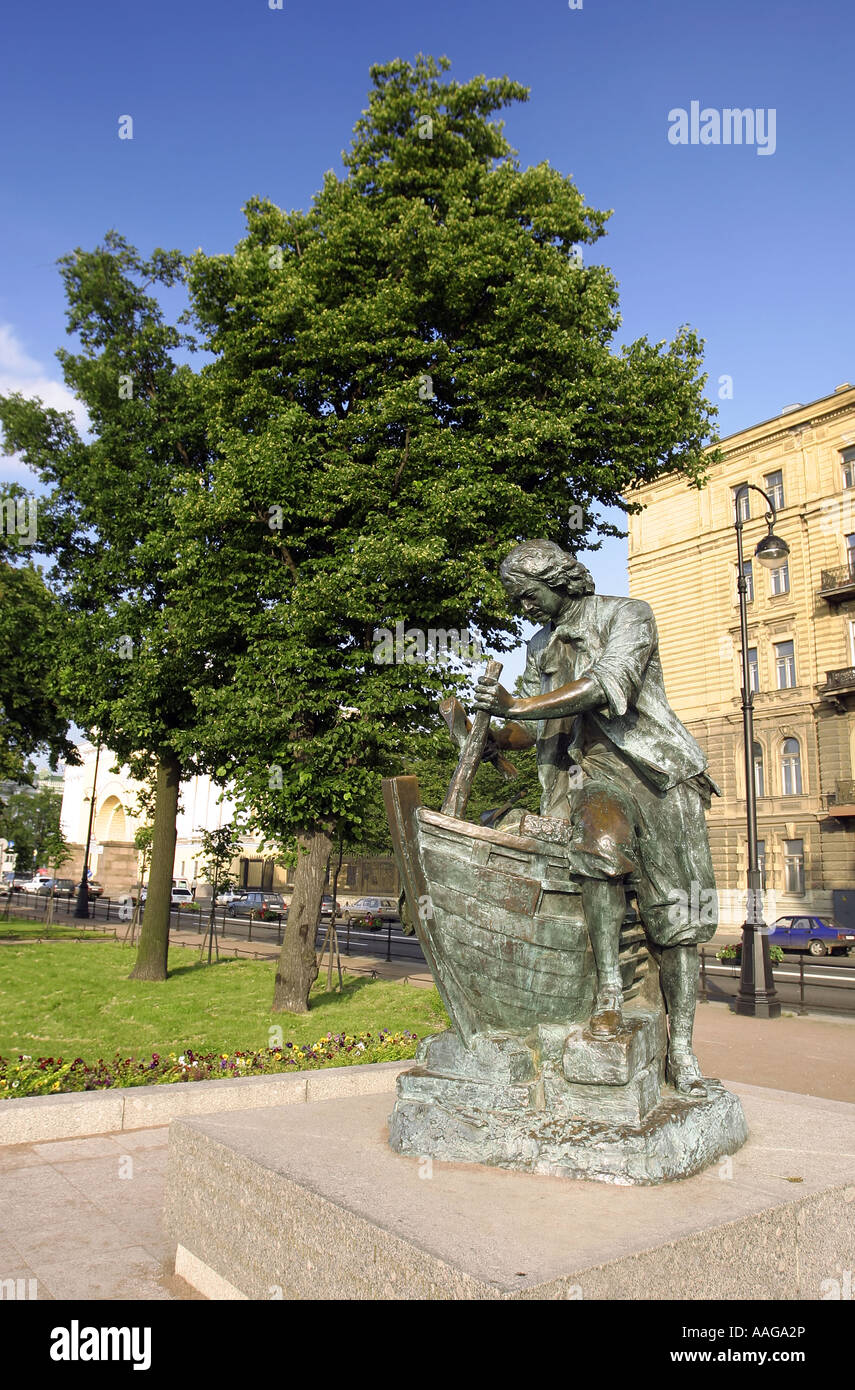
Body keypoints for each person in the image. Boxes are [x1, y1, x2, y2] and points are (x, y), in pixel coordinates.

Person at [473, 539, 720, 1095]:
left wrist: (517, 706)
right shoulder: (540, 645)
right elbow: (539, 728)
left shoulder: (627, 615)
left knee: (677, 919)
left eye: (527, 594)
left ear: (558, 578)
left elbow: (607, 687)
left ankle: (680, 1045)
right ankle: (609, 988)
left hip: (659, 772)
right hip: (595, 776)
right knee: (599, 851)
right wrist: (493, 729)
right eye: (514, 599)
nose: (522, 608)